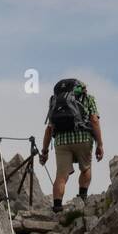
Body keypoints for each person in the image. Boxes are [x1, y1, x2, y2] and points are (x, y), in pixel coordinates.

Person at [39, 79, 103, 214]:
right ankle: (82, 198)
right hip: (83, 138)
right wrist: (100, 144)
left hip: (61, 141)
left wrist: (44, 152)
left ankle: (57, 207)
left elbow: (49, 130)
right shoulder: (88, 98)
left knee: (61, 176)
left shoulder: (55, 102)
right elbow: (94, 120)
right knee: (85, 168)